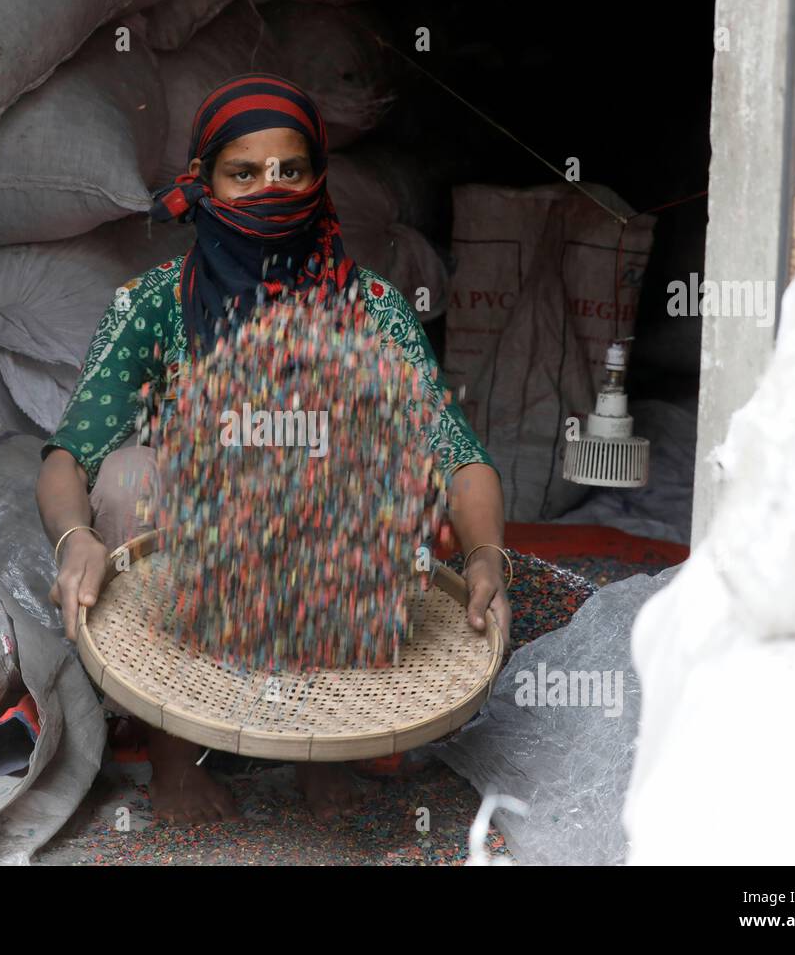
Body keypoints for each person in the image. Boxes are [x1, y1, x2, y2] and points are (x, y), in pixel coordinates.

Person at [35, 73, 508, 824]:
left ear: (319, 178)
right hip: (196, 564)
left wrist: (486, 555)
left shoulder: (371, 308)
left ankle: (328, 754)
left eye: (290, 171)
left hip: (329, 569)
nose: (271, 189)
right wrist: (74, 538)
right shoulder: (154, 304)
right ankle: (172, 760)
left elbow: (454, 454)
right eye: (245, 174)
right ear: (205, 184)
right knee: (129, 478)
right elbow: (72, 455)